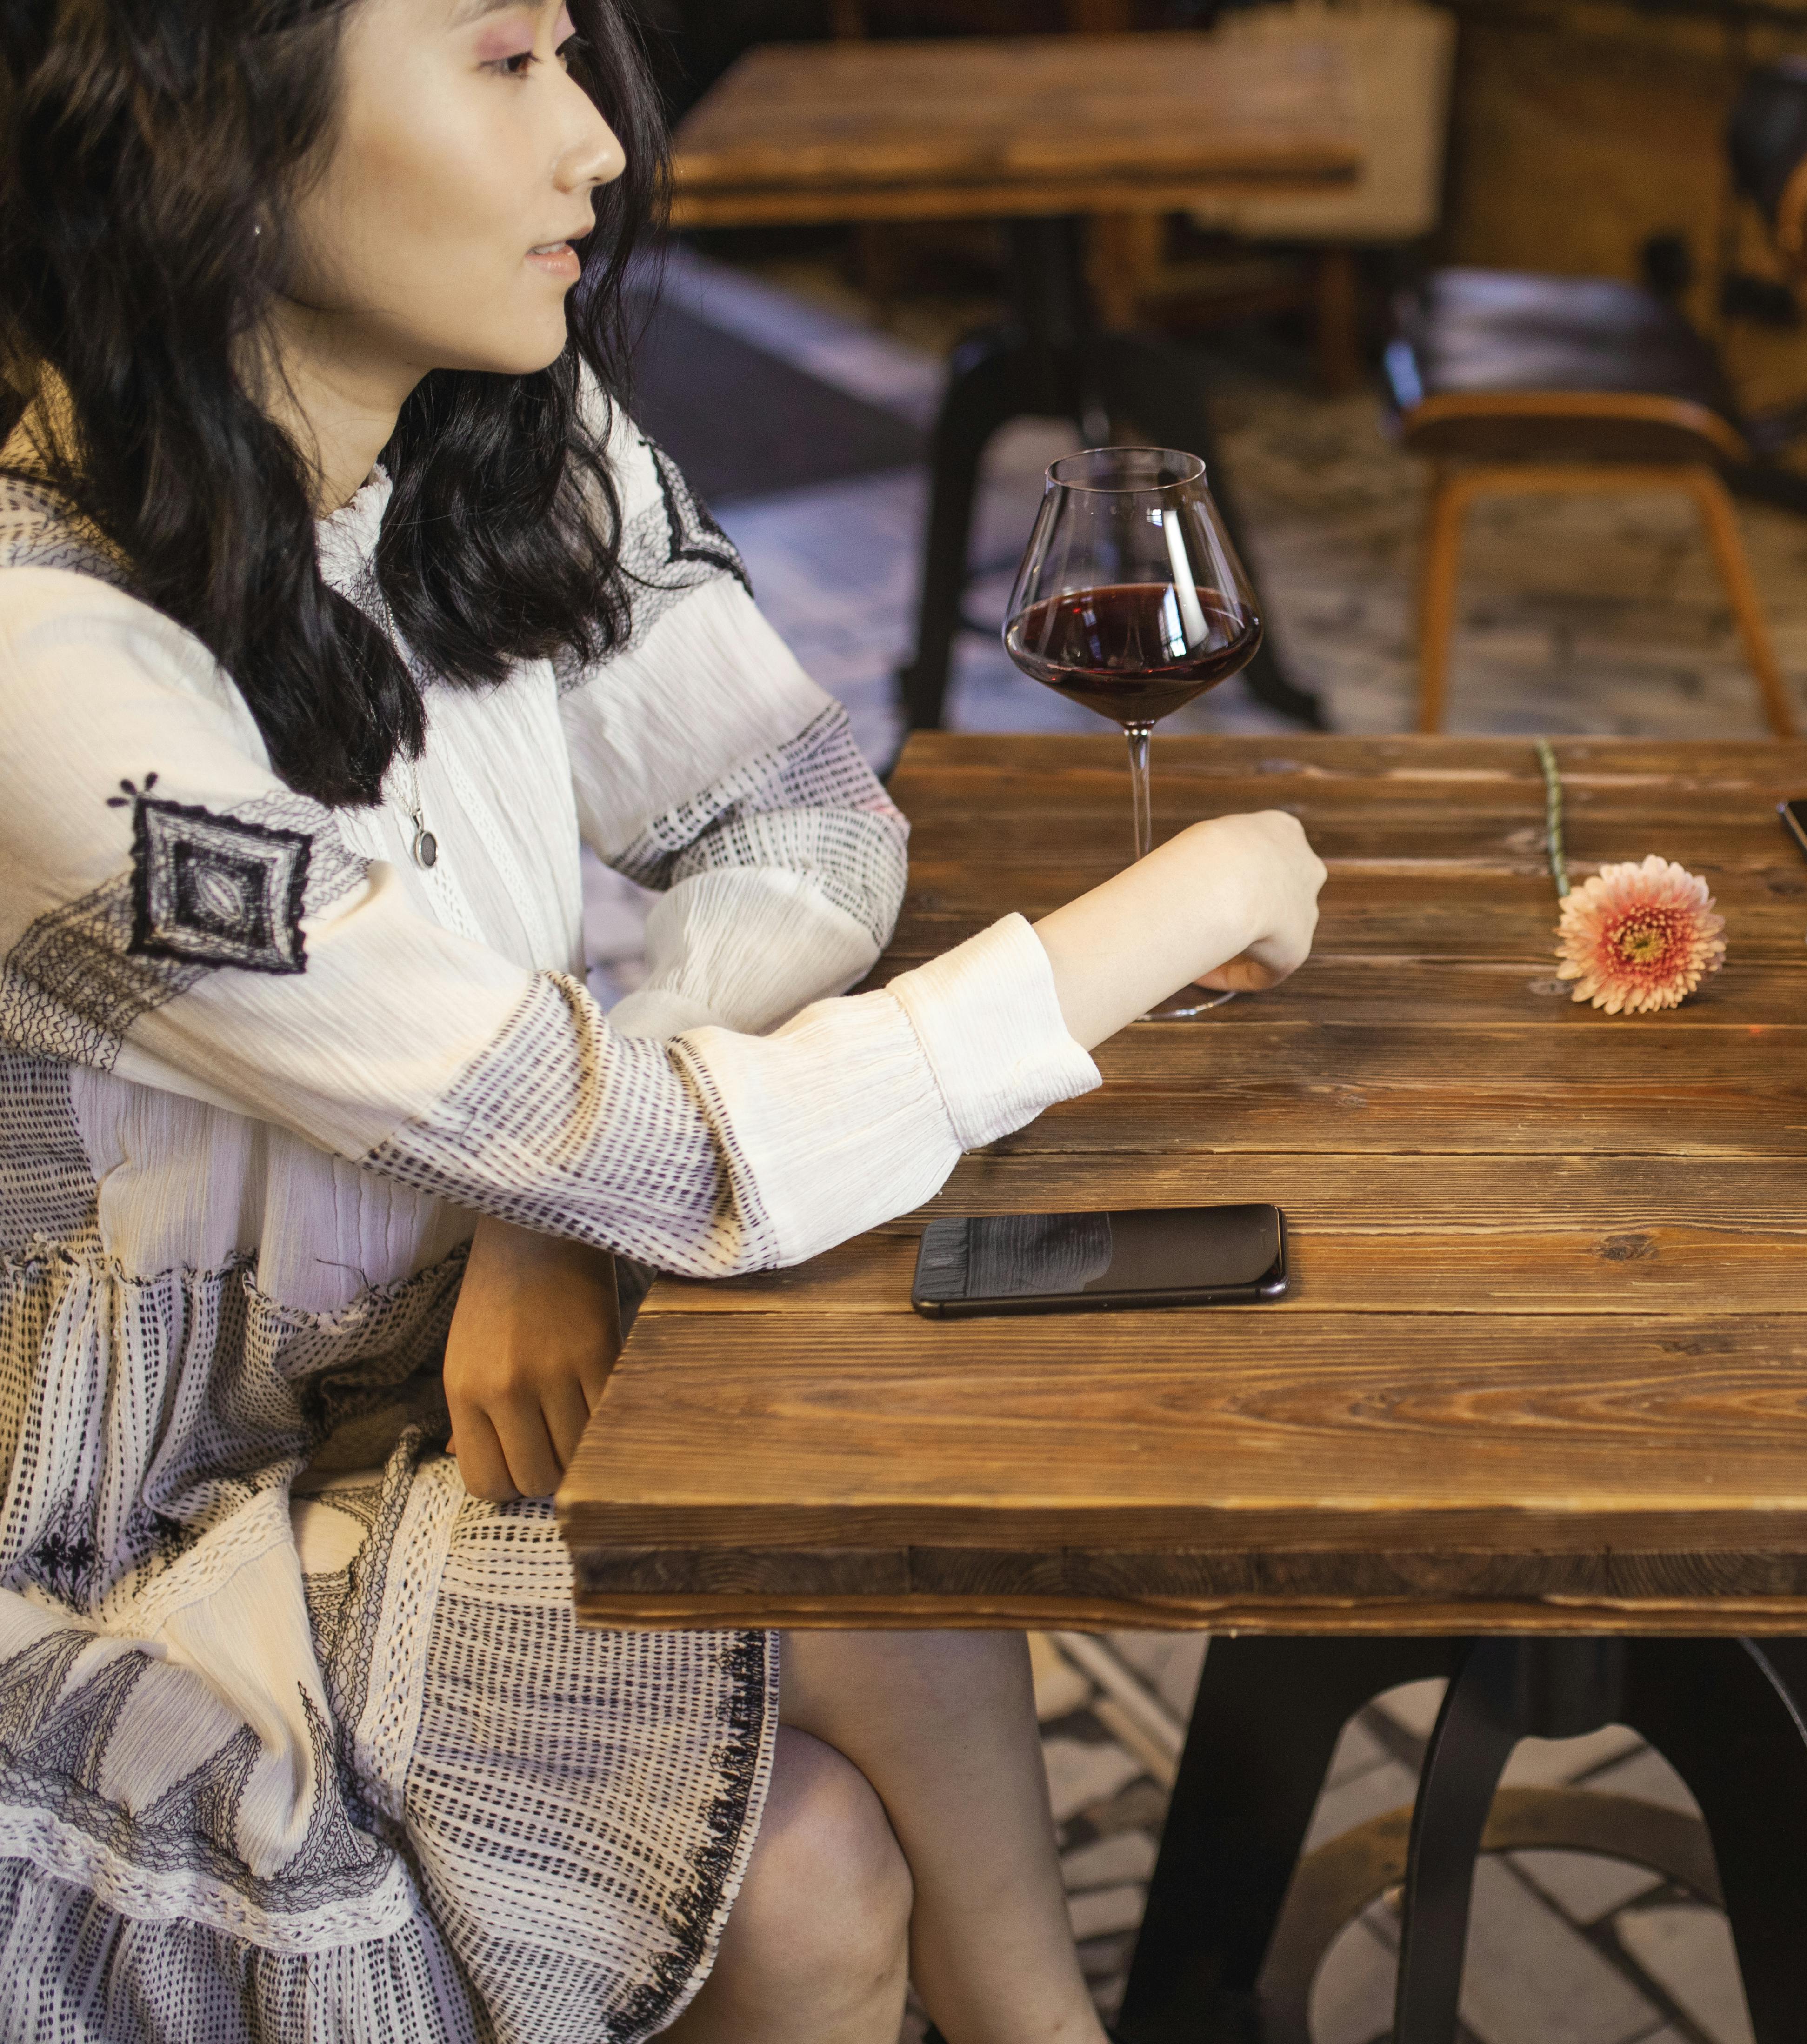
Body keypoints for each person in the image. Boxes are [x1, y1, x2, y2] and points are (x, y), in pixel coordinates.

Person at [0, 0, 1326, 2038]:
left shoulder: (491, 435)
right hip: (105, 1548)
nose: (601, 146)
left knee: (819, 1678)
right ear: (216, 137)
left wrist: (546, 1200)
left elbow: (796, 819)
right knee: (804, 1829)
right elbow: (671, 1150)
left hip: (399, 1416)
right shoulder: (42, 667)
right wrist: (1196, 896)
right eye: (510, 61)